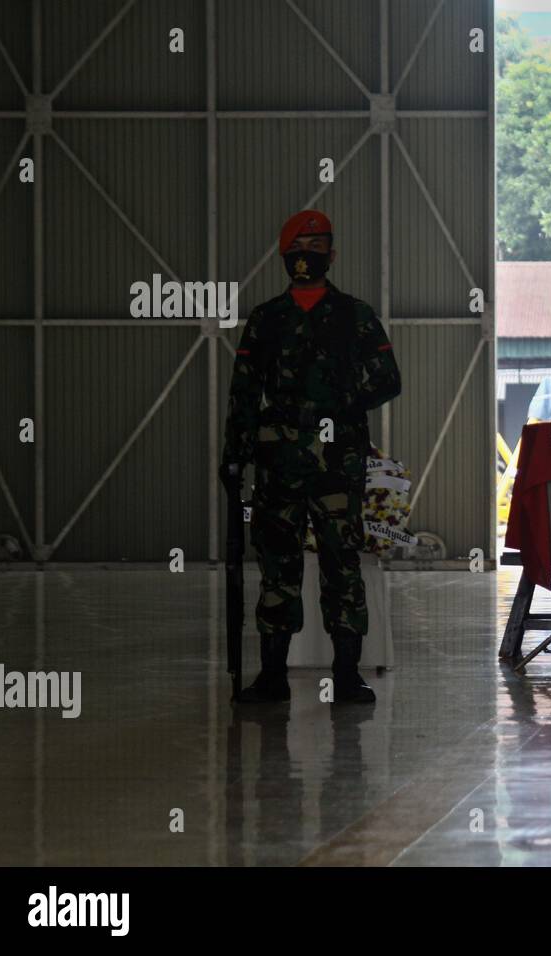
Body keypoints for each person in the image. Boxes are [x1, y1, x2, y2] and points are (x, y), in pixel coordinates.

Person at [220, 210, 401, 704]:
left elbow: (388, 378)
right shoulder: (266, 319)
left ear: (331, 255)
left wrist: (336, 401)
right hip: (279, 465)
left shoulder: (355, 315)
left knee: (341, 565)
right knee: (278, 568)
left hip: (337, 464)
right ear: (285, 257)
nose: (307, 256)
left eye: (316, 247)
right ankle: (272, 675)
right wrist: (232, 455)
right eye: (300, 248)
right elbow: (243, 393)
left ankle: (346, 675)